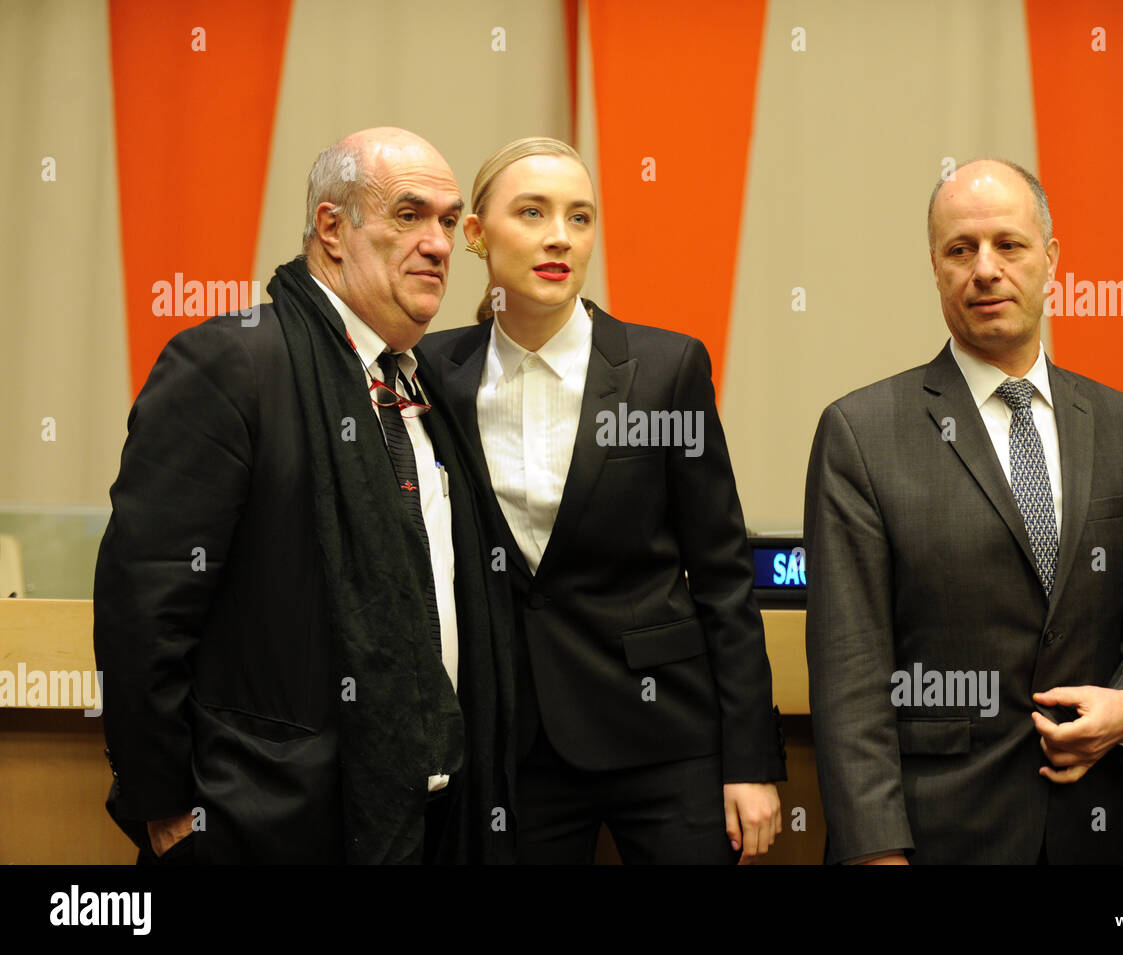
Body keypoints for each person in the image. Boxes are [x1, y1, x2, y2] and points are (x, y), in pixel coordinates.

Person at [93, 127, 515, 865]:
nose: (440, 244)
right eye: (409, 214)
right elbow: (143, 610)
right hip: (260, 826)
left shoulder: (423, 389)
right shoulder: (232, 362)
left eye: (450, 222)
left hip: (432, 820)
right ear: (331, 227)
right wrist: (166, 809)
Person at [804, 158, 1123, 864]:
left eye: (1008, 245)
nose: (985, 269)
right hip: (930, 837)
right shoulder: (861, 433)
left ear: (1050, 260)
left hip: (1085, 825)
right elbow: (847, 671)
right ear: (935, 268)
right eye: (960, 249)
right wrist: (875, 851)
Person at [418, 137, 786, 864]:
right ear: (475, 234)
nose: (560, 236)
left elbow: (723, 576)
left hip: (667, 736)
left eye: (580, 218)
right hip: (516, 747)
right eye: (533, 212)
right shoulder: (434, 373)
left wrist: (752, 759)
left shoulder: (664, 369)